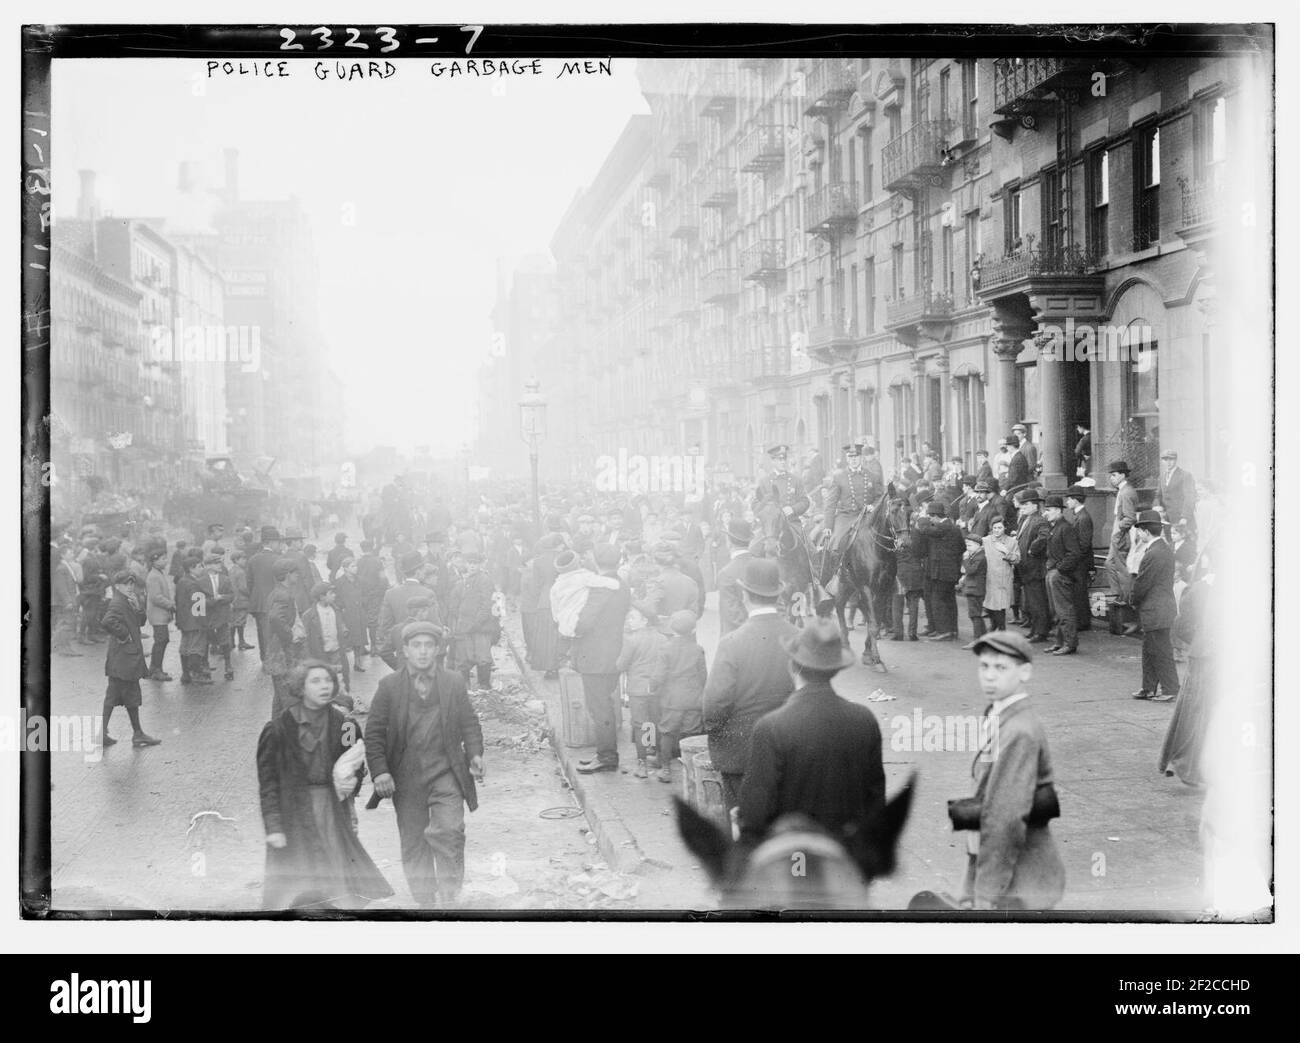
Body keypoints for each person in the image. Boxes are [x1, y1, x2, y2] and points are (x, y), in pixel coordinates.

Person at [739, 617, 886, 874]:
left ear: (792, 665)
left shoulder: (771, 727)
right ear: (836, 669)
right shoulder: (864, 720)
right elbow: (875, 799)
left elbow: (755, 812)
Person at [364, 621, 485, 907]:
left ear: (438, 649)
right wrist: (380, 771)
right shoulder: (390, 686)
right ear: (405, 650)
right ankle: (425, 902)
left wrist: (476, 753)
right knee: (414, 841)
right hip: (406, 776)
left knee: (450, 832)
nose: (422, 652)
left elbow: (469, 722)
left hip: (446, 772)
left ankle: (449, 896)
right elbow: (374, 732)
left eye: (428, 646)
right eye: (416, 646)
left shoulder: (452, 681)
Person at [256, 660, 392, 910]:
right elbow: (268, 784)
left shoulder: (345, 725)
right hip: (293, 813)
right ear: (301, 687)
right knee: (297, 878)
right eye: (315, 681)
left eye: (328, 681)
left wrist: (351, 782)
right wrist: (274, 826)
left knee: (336, 869)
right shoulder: (279, 729)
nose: (324, 686)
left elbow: (354, 758)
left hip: (331, 809)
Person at [956, 630, 1065, 910]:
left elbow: (1005, 816)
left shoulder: (1018, 731)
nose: (989, 676)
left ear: (1025, 672)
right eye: (984, 666)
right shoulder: (999, 713)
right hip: (1009, 871)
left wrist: (987, 893)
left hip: (1017, 882)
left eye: (1001, 667)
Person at [703, 558, 800, 812]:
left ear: (745, 594)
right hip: (787, 748)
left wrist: (713, 729)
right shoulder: (797, 637)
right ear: (777, 594)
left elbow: (715, 705)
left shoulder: (731, 642)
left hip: (741, 753)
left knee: (744, 825)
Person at [574, 545, 633, 774]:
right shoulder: (622, 585)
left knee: (600, 708)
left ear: (596, 562)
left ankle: (607, 756)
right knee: (605, 704)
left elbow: (585, 622)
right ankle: (605, 753)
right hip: (613, 652)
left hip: (596, 657)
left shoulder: (600, 588)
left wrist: (573, 626)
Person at [1159, 561, 1213, 784]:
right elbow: (1183, 626)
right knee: (1197, 713)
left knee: (1196, 712)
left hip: (1207, 655)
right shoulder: (1202, 589)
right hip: (1206, 659)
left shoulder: (1203, 587)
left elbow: (1183, 626)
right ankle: (1183, 763)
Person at [100, 571, 161, 747]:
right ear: (117, 586)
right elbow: (107, 621)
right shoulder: (118, 602)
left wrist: (137, 608)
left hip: (123, 657)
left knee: (114, 696)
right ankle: (137, 734)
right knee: (129, 695)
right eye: (126, 584)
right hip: (124, 658)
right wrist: (124, 635)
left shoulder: (127, 600)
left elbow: (141, 622)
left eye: (132, 584)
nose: (130, 587)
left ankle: (104, 733)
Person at [1130, 510, 1180, 702]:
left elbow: (1143, 582)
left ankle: (1170, 689)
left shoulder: (1154, 553)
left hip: (1155, 608)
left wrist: (1132, 599)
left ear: (1145, 531)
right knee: (1151, 649)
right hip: (1160, 608)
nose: (1138, 535)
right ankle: (1148, 687)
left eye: (1139, 531)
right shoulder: (1161, 549)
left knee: (1159, 651)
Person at [654, 609, 707, 784]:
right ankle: (690, 771)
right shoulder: (698, 649)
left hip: (672, 700)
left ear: (672, 628)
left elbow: (659, 676)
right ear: (693, 630)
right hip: (693, 699)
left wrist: (653, 687)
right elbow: (703, 677)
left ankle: (666, 769)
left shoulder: (666, 648)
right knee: (691, 733)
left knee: (667, 733)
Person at [617, 602, 668, 778]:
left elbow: (621, 665)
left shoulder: (631, 640)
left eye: (633, 618)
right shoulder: (662, 639)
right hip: (656, 689)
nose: (629, 621)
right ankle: (659, 758)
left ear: (645, 620)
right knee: (655, 722)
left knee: (641, 725)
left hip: (637, 690)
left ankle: (642, 765)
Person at [447, 551, 498, 692]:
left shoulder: (485, 580)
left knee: (483, 657)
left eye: (475, 563)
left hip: (480, 627)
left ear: (480, 564)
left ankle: (484, 686)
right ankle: (465, 689)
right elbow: (454, 604)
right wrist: (461, 619)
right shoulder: (462, 582)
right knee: (462, 658)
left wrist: (476, 623)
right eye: (470, 563)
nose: (472, 566)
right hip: (464, 627)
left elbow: (486, 605)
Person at [916, 501, 964, 641]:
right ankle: (950, 630)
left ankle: (944, 631)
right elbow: (962, 547)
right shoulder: (952, 527)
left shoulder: (945, 527)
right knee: (948, 600)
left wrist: (920, 520)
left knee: (939, 600)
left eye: (930, 517)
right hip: (947, 570)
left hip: (942, 572)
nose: (930, 520)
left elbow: (925, 529)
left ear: (935, 516)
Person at [1042, 495, 1083, 656]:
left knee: (1064, 609)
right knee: (1056, 610)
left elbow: (1074, 553)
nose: (1046, 513)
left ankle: (1069, 643)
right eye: (1046, 510)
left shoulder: (1065, 528)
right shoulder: (1055, 527)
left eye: (1049, 510)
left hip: (1060, 574)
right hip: (1054, 572)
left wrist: (1060, 569)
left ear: (1059, 511)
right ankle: (1060, 642)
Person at [266, 558, 305, 718]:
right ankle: (286, 735)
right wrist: (290, 636)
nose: (298, 576)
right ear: (288, 574)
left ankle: (275, 734)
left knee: (280, 699)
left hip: (277, 653)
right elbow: (275, 617)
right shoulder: (283, 595)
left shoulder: (278, 592)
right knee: (289, 698)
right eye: (295, 573)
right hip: (283, 652)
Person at [1104, 460, 1140, 625]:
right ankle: (1118, 596)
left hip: (1122, 534)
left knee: (1120, 568)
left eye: (1114, 475)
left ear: (1123, 475)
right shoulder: (1122, 491)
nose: (1112, 478)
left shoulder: (1126, 493)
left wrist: (1118, 531)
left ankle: (1125, 600)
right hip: (1118, 533)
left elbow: (1130, 518)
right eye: (1111, 475)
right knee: (1110, 563)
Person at [1013, 490, 1051, 642]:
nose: (1023, 507)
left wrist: (1031, 549)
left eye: (1026, 504)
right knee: (1031, 601)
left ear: (1035, 505)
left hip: (1034, 566)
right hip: (1026, 567)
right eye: (1022, 504)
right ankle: (1035, 629)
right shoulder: (1026, 519)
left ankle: (1041, 632)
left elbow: (1044, 537)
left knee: (1038, 601)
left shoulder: (1039, 520)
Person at [304, 581, 353, 696]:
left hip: (337, 652)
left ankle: (343, 704)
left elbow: (341, 625)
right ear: (322, 597)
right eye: (331, 593)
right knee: (323, 683)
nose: (334, 595)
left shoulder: (336, 610)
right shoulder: (309, 615)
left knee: (340, 680)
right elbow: (305, 640)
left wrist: (344, 631)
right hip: (320, 655)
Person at [175, 555, 214, 686]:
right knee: (196, 648)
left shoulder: (182, 581)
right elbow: (198, 604)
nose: (202, 568)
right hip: (194, 621)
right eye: (199, 566)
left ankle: (185, 674)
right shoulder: (193, 583)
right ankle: (196, 675)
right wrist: (203, 622)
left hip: (184, 620)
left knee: (185, 647)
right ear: (191, 569)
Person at [247, 527, 283, 666]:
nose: (279, 545)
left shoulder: (253, 559)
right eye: (277, 542)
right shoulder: (278, 559)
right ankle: (273, 660)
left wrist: (255, 596)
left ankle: (264, 658)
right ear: (271, 542)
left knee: (262, 631)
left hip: (258, 602)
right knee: (274, 631)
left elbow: (249, 582)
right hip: (274, 601)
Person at [713, 518, 754, 638]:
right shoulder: (763, 565)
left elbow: (732, 613)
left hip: (736, 638)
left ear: (729, 541)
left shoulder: (726, 573)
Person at [1063, 486, 1094, 632]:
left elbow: (1084, 544)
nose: (1067, 502)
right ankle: (1082, 621)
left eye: (1069, 499)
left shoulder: (1083, 517)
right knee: (1078, 591)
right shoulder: (1079, 515)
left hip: (1080, 562)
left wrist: (1074, 559)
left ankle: (1083, 622)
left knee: (1080, 591)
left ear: (1075, 500)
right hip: (1079, 561)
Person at [203, 553, 235, 681]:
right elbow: (198, 600)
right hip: (208, 615)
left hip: (222, 614)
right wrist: (212, 600)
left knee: (225, 640)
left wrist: (222, 598)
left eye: (220, 562)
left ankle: (228, 665)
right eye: (217, 563)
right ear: (208, 566)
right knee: (205, 640)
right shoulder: (201, 580)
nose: (220, 565)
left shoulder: (225, 579)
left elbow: (232, 596)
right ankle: (204, 664)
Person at [142, 548, 174, 679]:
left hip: (160, 614)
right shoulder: (154, 576)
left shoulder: (157, 573)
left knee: (162, 640)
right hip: (157, 614)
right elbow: (156, 597)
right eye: (163, 559)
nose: (166, 561)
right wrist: (171, 605)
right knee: (161, 640)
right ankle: (156, 670)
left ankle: (155, 668)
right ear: (154, 561)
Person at [1155, 450, 1198, 535]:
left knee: (1183, 544)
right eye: (1165, 460)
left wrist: (1185, 517)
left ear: (1176, 460)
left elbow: (1190, 497)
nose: (1168, 462)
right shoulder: (1162, 477)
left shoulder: (1185, 475)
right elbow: (1158, 495)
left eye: (1171, 459)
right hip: (1167, 520)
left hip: (1181, 519)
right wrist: (1157, 507)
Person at [53, 542, 83, 656]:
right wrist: (68, 601)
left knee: (64, 623)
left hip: (69, 599)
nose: (72, 554)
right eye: (70, 552)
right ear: (63, 554)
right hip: (66, 601)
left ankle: (59, 646)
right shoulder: (61, 568)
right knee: (66, 624)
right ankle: (64, 647)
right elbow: (61, 587)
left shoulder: (65, 566)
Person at [959, 532, 988, 646]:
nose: (967, 548)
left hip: (975, 589)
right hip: (973, 588)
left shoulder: (979, 557)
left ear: (978, 546)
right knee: (975, 614)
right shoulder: (976, 556)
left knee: (975, 614)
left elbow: (971, 570)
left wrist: (965, 559)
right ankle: (984, 637)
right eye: (967, 545)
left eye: (970, 545)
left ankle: (977, 639)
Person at [229, 549, 255, 652]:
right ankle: (241, 641)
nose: (245, 561)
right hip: (241, 600)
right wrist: (250, 595)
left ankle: (231, 641)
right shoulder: (241, 572)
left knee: (233, 622)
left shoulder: (231, 570)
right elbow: (243, 588)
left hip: (233, 600)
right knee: (240, 622)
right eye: (243, 559)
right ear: (236, 560)